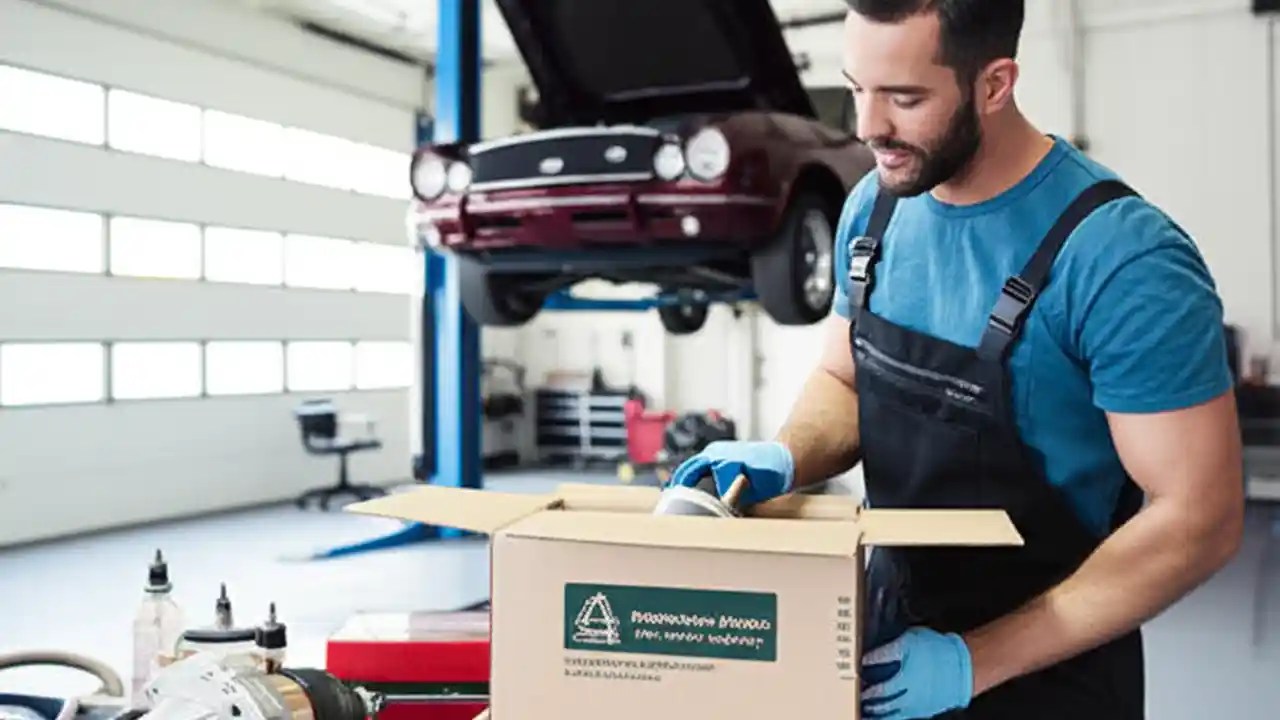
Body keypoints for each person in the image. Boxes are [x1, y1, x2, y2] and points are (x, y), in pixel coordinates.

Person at [668, 1, 1245, 718]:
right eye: (857, 89)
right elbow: (845, 378)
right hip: (882, 655)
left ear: (995, 83)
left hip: (1046, 683)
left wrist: (975, 662)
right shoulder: (874, 209)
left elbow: (1200, 519)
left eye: (904, 98)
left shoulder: (1123, 261)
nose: (867, 127)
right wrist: (789, 457)